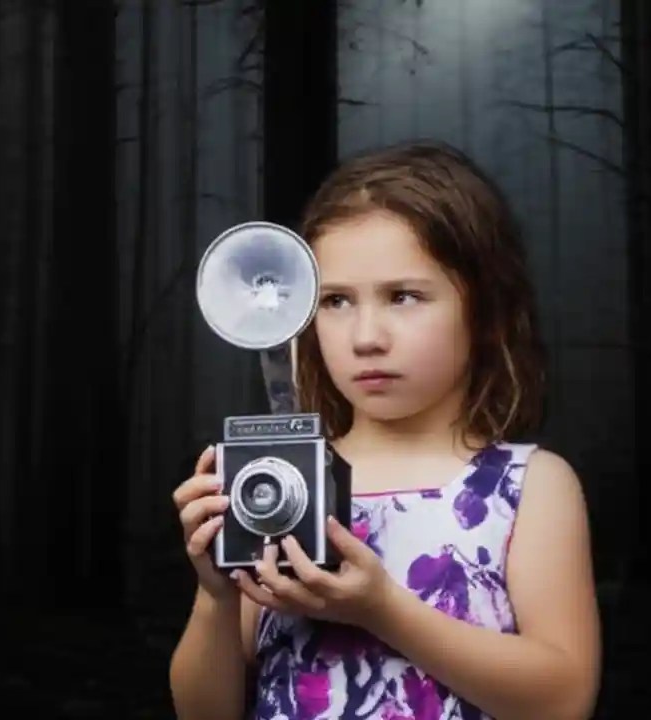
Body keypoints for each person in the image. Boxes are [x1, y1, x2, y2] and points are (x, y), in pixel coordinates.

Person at [169, 140, 601, 720]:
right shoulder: (284, 484)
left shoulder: (528, 487)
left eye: (404, 296)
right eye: (335, 301)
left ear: (484, 309)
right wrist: (216, 595)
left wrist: (381, 610)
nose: (366, 337)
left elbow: (564, 701)